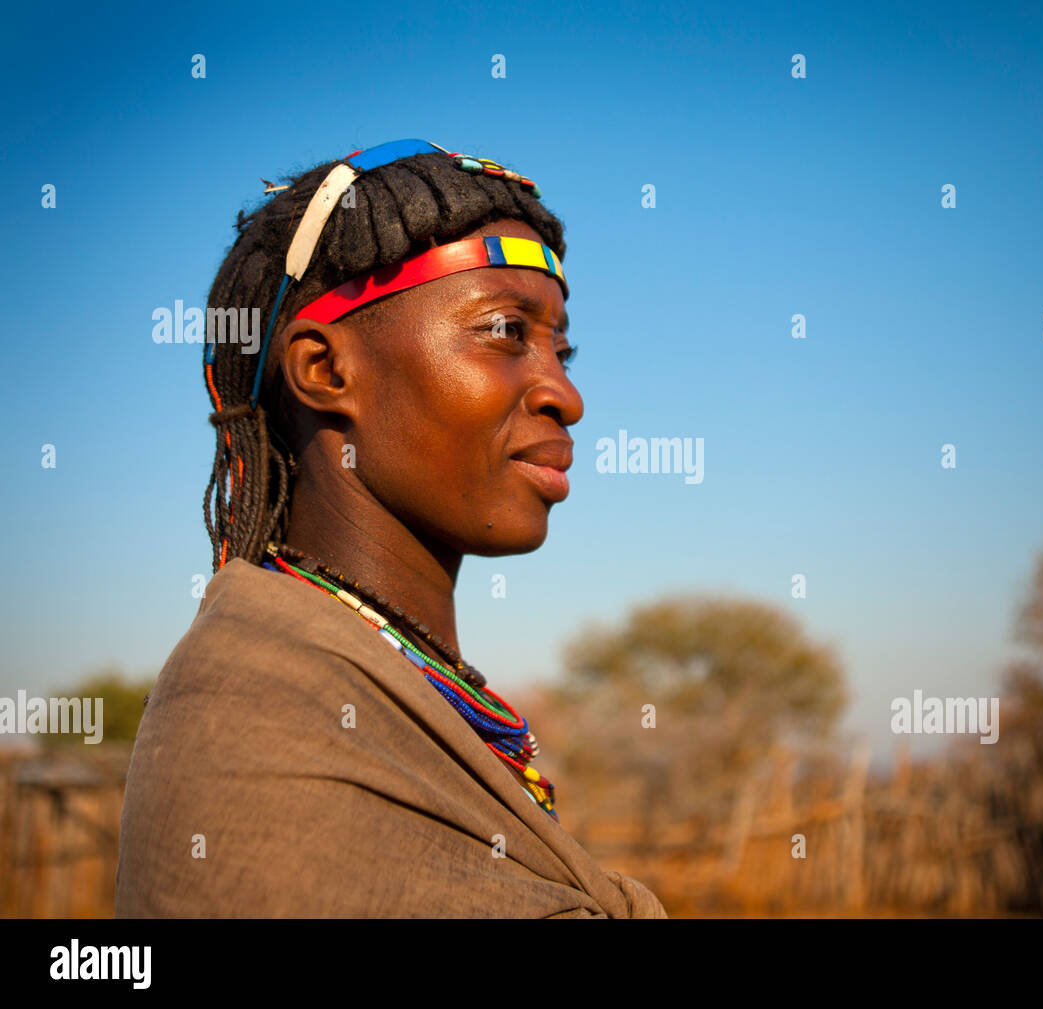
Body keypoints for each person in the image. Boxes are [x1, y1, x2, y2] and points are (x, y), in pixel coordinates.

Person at [115, 139, 668, 918]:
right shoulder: (260, 720)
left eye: (562, 348)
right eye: (508, 332)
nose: (566, 395)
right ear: (326, 370)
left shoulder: (403, 701)